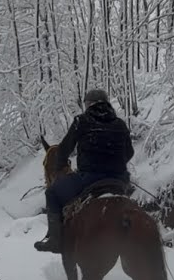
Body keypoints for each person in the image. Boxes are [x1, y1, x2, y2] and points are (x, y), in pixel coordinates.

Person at [34, 89, 135, 253]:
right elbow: (129, 153)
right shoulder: (120, 124)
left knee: (51, 193)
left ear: (88, 105)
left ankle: (55, 239)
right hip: (120, 180)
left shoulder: (82, 121)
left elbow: (63, 150)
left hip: (89, 179)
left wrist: (60, 165)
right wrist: (114, 166)